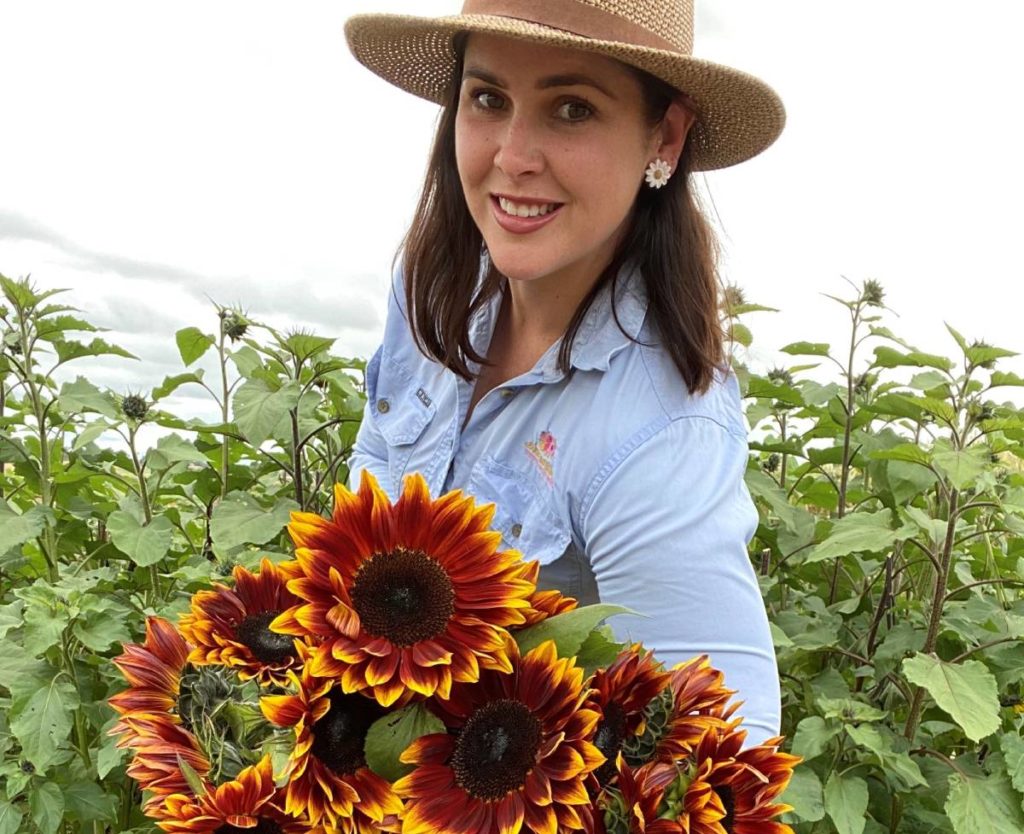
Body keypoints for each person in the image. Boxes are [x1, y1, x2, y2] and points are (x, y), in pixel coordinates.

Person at [343, 0, 785, 745]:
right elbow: (364, 497)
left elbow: (722, 756)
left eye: (572, 108)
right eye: (488, 99)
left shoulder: (660, 430)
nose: (513, 155)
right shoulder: (432, 290)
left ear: (665, 138)